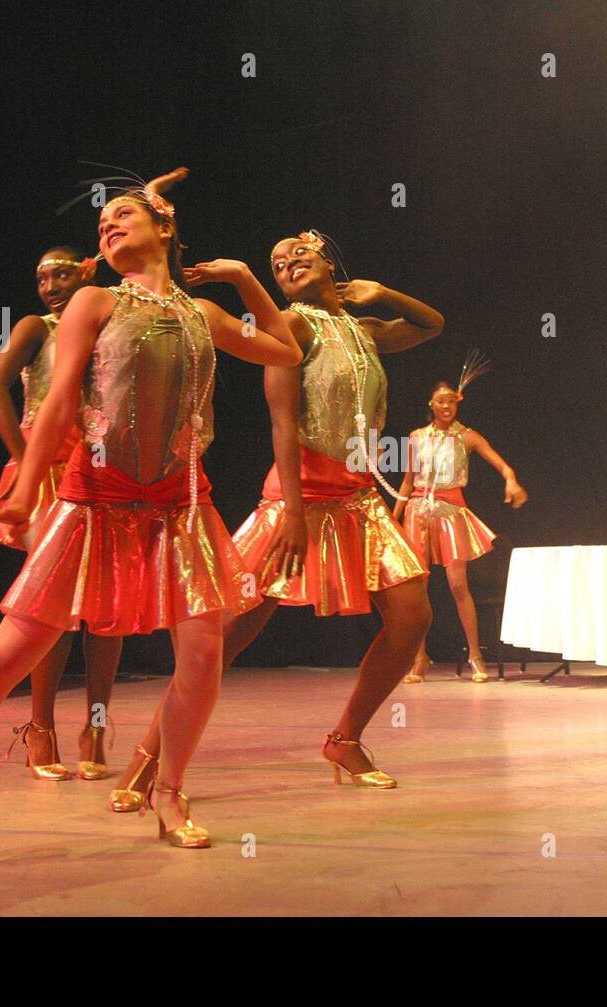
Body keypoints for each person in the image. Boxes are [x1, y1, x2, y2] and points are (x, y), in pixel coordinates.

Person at [0, 183, 301, 876]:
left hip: (179, 508)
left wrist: (240, 276)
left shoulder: (203, 313)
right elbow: (57, 402)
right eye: (102, 221)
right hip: (94, 502)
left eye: (124, 214)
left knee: (202, 657)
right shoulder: (95, 301)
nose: (108, 226)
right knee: (5, 658)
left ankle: (169, 791)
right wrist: (26, 491)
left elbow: (286, 350)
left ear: (165, 224)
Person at [108, 228, 442, 807]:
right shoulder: (292, 326)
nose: (286, 264)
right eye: (277, 263)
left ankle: (345, 739)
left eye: (298, 255)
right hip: (301, 496)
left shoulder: (362, 330)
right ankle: (147, 757)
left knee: (413, 616)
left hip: (358, 498)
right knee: (229, 635)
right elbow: (283, 423)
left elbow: (432, 324)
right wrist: (290, 510)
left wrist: (379, 290)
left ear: (329, 263)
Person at [0, 247, 123, 781]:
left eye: (62, 273)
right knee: (53, 610)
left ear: (87, 271)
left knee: (107, 606)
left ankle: (96, 727)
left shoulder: (110, 318)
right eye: (42, 277)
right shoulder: (36, 326)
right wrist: (24, 461)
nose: (50, 285)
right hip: (49, 470)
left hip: (103, 470)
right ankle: (41, 727)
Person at [394, 360, 527, 683]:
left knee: (458, 585)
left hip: (451, 511)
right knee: (418, 587)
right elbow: (408, 481)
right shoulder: (416, 437)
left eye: (451, 401)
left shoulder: (467, 437)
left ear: (457, 403)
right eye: (441, 401)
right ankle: (419, 657)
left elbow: (503, 465)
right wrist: (393, 519)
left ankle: (476, 657)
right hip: (417, 512)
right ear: (432, 404)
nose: (446, 406)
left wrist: (511, 480)